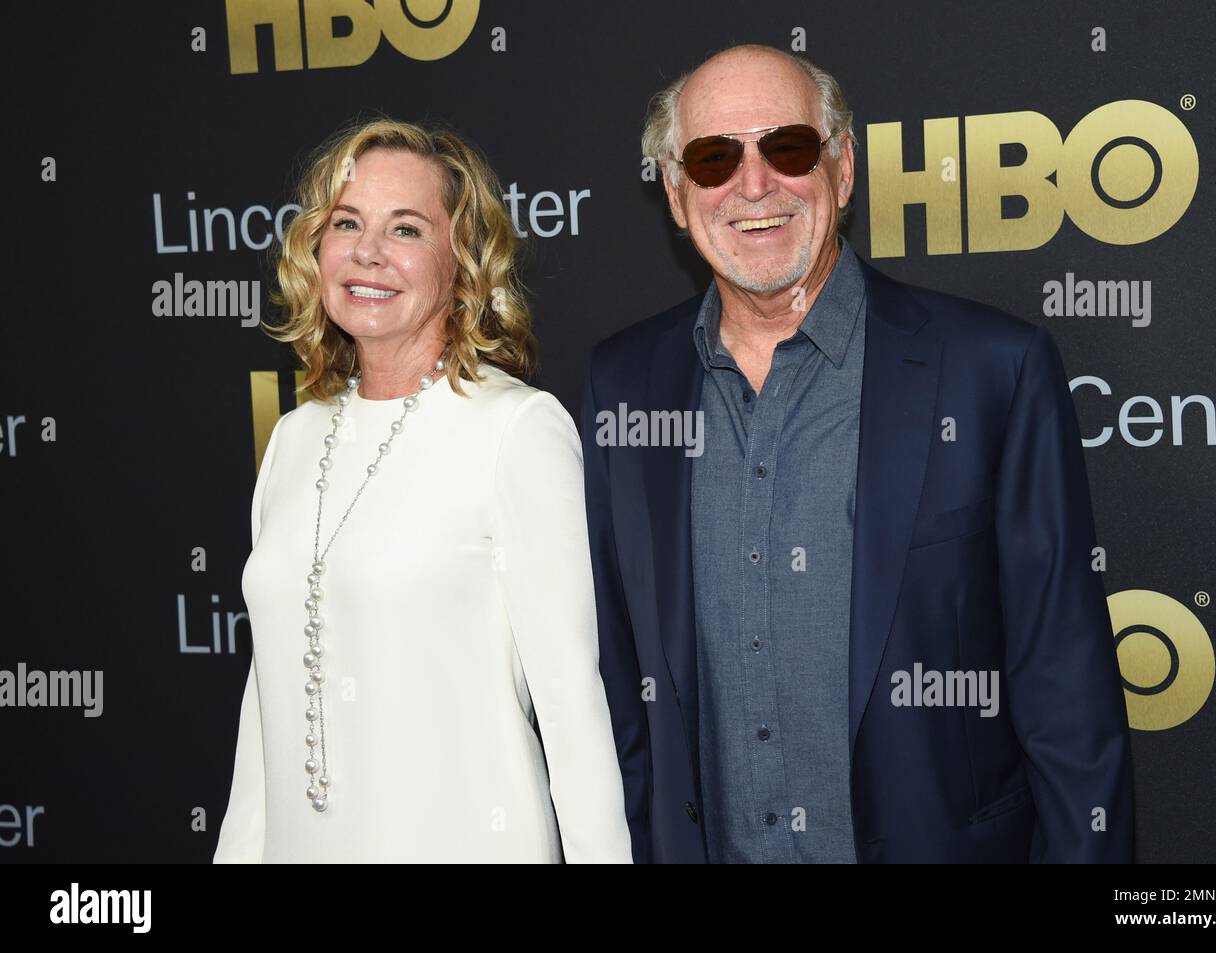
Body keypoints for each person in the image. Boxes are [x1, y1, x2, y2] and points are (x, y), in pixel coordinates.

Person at [581, 45, 1135, 862]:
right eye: (713, 158)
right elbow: (616, 693)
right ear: (674, 192)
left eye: (790, 147)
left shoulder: (990, 370)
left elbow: (1068, 694)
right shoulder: (621, 384)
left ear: (842, 168)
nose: (754, 183)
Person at [214, 118, 632, 863]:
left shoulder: (516, 430)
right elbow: (266, 703)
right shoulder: (293, 438)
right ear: (316, 245)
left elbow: (574, 712)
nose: (368, 251)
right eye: (347, 223)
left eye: (405, 228)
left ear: (461, 263)